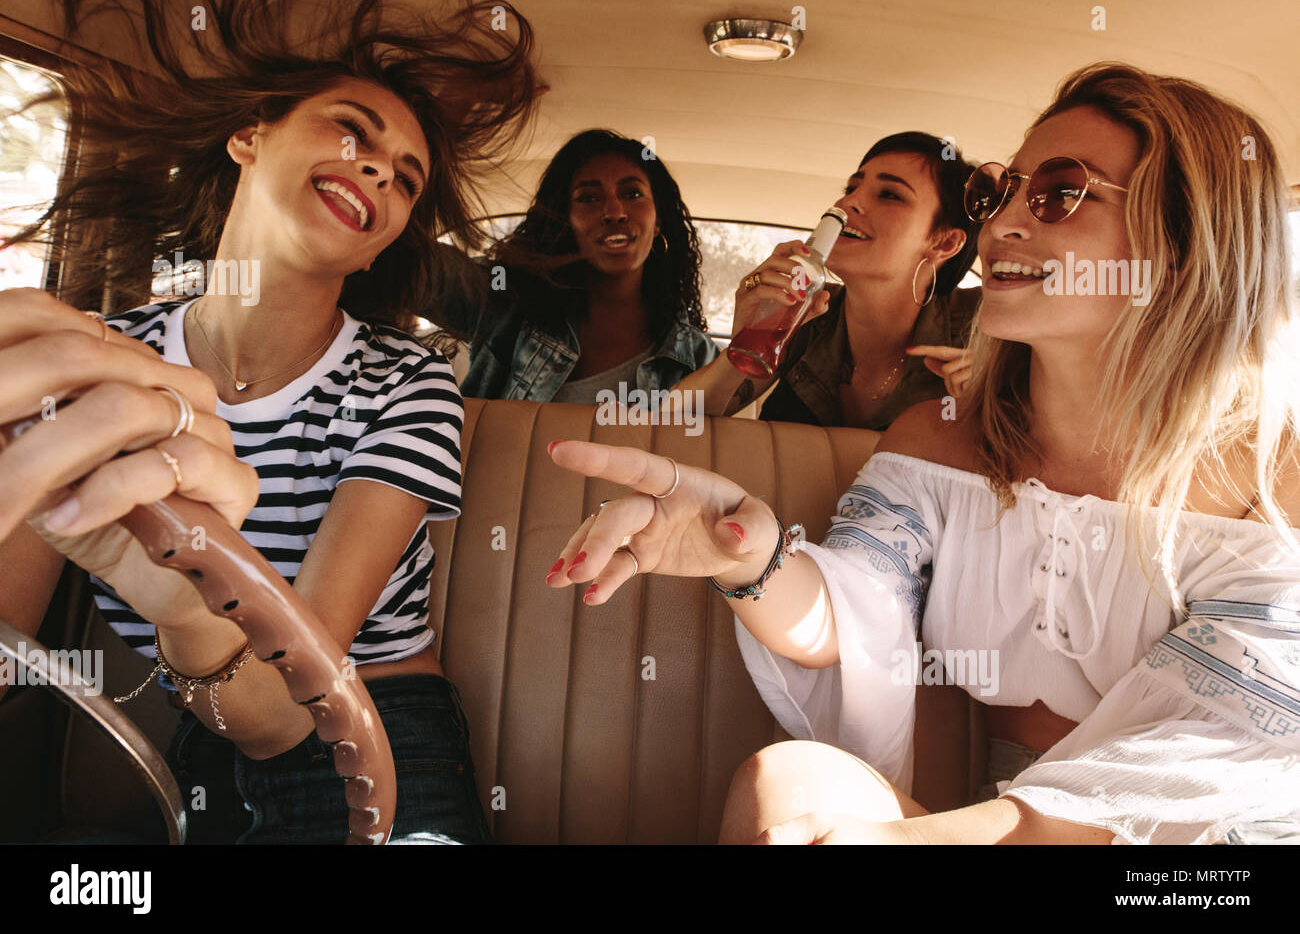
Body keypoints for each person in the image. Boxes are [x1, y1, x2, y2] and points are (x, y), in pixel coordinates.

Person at [543, 62, 1300, 844]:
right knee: (787, 784)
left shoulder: (1277, 487)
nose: (1002, 223)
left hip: (1200, 851)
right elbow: (856, 609)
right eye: (1000, 192)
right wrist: (745, 552)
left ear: (1181, 242)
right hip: (989, 821)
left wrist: (916, 841)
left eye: (1059, 192)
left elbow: (1208, 755)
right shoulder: (938, 442)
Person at [0, 0, 538, 843]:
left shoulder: (407, 382)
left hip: (382, 721)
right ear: (250, 135)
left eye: (403, 179)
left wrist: (184, 607)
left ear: (381, 244)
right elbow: (5, 640)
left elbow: (297, 704)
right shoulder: (99, 359)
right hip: (198, 729)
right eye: (352, 129)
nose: (377, 170)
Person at [672, 132, 981, 429]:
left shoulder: (984, 329)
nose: (847, 205)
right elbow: (673, 420)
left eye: (889, 195)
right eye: (850, 189)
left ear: (944, 243)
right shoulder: (805, 311)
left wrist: (990, 404)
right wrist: (744, 345)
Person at [426, 129, 718, 403]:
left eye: (632, 194)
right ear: (564, 223)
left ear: (658, 223)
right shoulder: (506, 303)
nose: (614, 212)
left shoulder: (697, 356)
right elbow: (406, 267)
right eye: (588, 198)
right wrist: (440, 133)